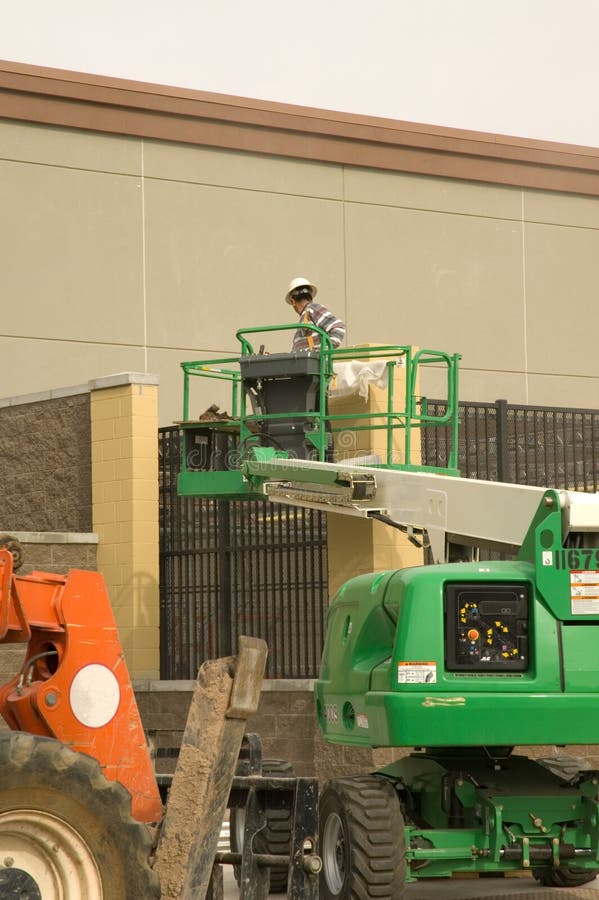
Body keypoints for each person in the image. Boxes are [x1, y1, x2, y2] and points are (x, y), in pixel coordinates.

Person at [285, 277, 346, 351]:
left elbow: (338, 326)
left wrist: (324, 348)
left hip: (313, 362)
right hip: (304, 361)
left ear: (292, 301)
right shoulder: (306, 315)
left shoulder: (312, 308)